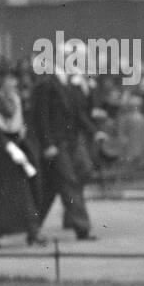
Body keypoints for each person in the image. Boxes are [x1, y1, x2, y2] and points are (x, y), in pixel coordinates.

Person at [0, 68, 43, 249]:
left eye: (14, 79)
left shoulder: (15, 99)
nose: (13, 83)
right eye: (9, 80)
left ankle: (32, 232)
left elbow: (18, 125)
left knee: (25, 194)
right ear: (1, 83)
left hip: (14, 152)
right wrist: (11, 148)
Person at [33, 68, 101, 240]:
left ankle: (32, 226)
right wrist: (48, 144)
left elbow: (77, 115)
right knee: (68, 181)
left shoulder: (69, 85)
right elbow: (41, 117)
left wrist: (94, 131)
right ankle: (81, 227)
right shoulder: (46, 85)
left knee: (57, 184)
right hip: (57, 144)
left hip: (71, 142)